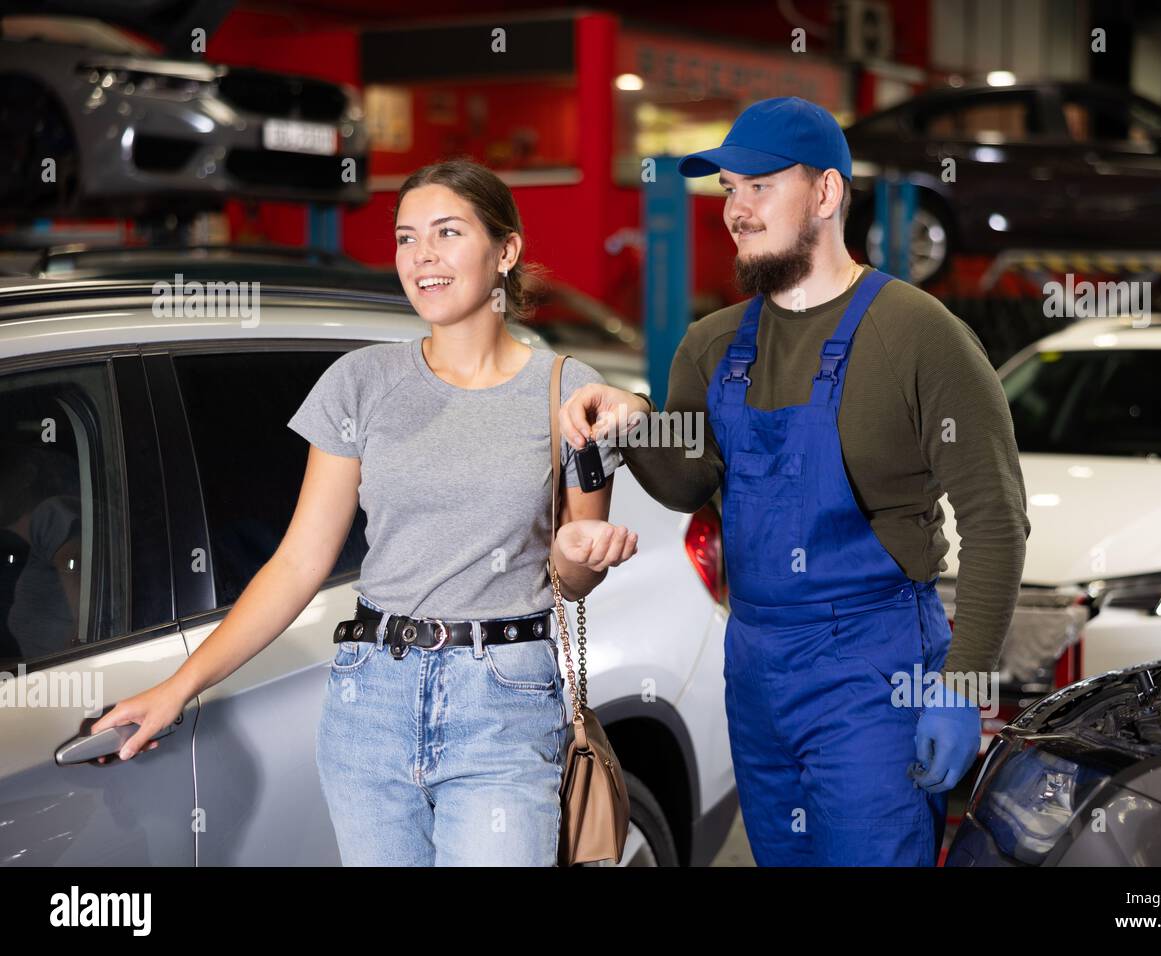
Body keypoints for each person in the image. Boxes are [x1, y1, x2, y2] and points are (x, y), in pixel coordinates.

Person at [90, 157, 635, 866]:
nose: (422, 257)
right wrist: (179, 688)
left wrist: (580, 550)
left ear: (506, 251)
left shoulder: (567, 388)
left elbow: (571, 575)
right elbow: (297, 562)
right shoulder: (359, 383)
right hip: (370, 697)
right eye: (407, 238)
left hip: (502, 699)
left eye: (447, 233)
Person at [559, 97, 1031, 866]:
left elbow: (997, 519)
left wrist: (960, 682)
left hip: (872, 671)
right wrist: (630, 417)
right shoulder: (712, 345)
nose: (736, 211)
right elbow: (688, 481)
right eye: (728, 192)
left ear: (826, 193)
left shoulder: (918, 335)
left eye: (759, 187)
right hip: (755, 665)